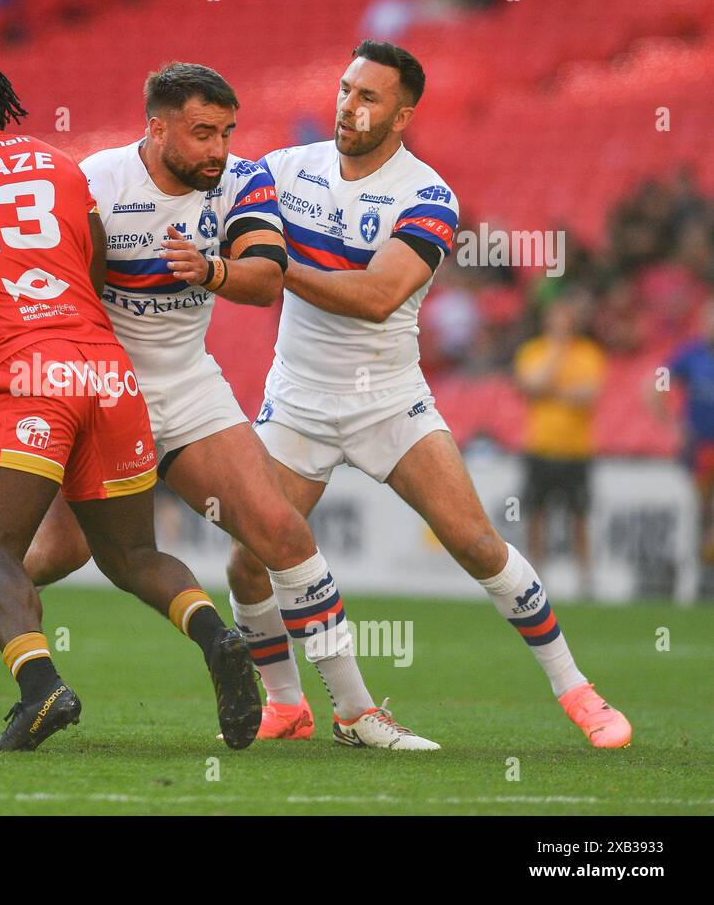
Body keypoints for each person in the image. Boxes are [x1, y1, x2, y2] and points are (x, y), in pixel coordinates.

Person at [0, 62, 436, 749]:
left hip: (186, 388)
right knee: (49, 554)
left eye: (226, 132)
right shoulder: (95, 180)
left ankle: (355, 711)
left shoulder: (243, 180)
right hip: (94, 383)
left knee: (281, 533)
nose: (218, 149)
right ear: (157, 126)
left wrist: (214, 270)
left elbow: (265, 282)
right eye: (203, 133)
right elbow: (35, 277)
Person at [0, 56, 261, 751]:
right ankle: (218, 638)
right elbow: (92, 263)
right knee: (131, 553)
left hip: (24, 377)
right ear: (5, 113)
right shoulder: (60, 165)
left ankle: (41, 690)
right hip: (105, 370)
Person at [233, 40, 629, 748]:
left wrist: (275, 268)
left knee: (475, 542)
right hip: (296, 400)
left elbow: (380, 296)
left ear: (403, 115)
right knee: (247, 557)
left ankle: (577, 689)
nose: (348, 105)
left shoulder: (426, 194)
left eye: (369, 97)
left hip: (388, 399)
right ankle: (288, 704)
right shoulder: (283, 169)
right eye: (346, 88)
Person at [514, 295, 606, 597]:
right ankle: (536, 578)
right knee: (535, 515)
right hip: (540, 447)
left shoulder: (589, 353)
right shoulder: (533, 350)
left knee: (579, 516)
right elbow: (531, 386)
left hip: (576, 450)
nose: (560, 326)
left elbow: (588, 396)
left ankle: (586, 579)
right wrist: (556, 356)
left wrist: (552, 390)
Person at [649, 298, 714, 566]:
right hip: (701, 446)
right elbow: (657, 384)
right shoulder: (690, 354)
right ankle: (698, 566)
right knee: (701, 507)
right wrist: (672, 423)